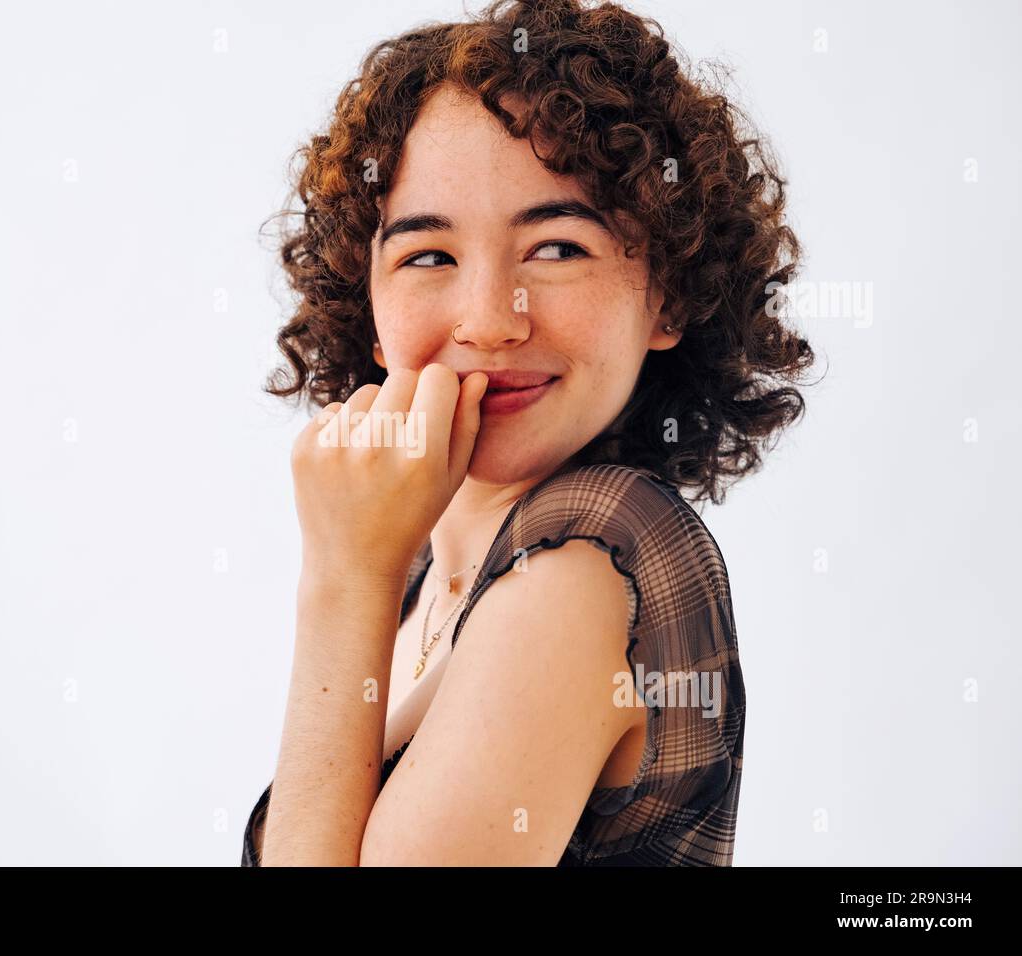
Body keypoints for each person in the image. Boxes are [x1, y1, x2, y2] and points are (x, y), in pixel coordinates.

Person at [243, 0, 815, 866]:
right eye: (428, 256)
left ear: (667, 290)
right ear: (367, 307)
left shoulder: (590, 560)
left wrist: (341, 578)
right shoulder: (427, 571)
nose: (490, 320)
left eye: (555, 248)